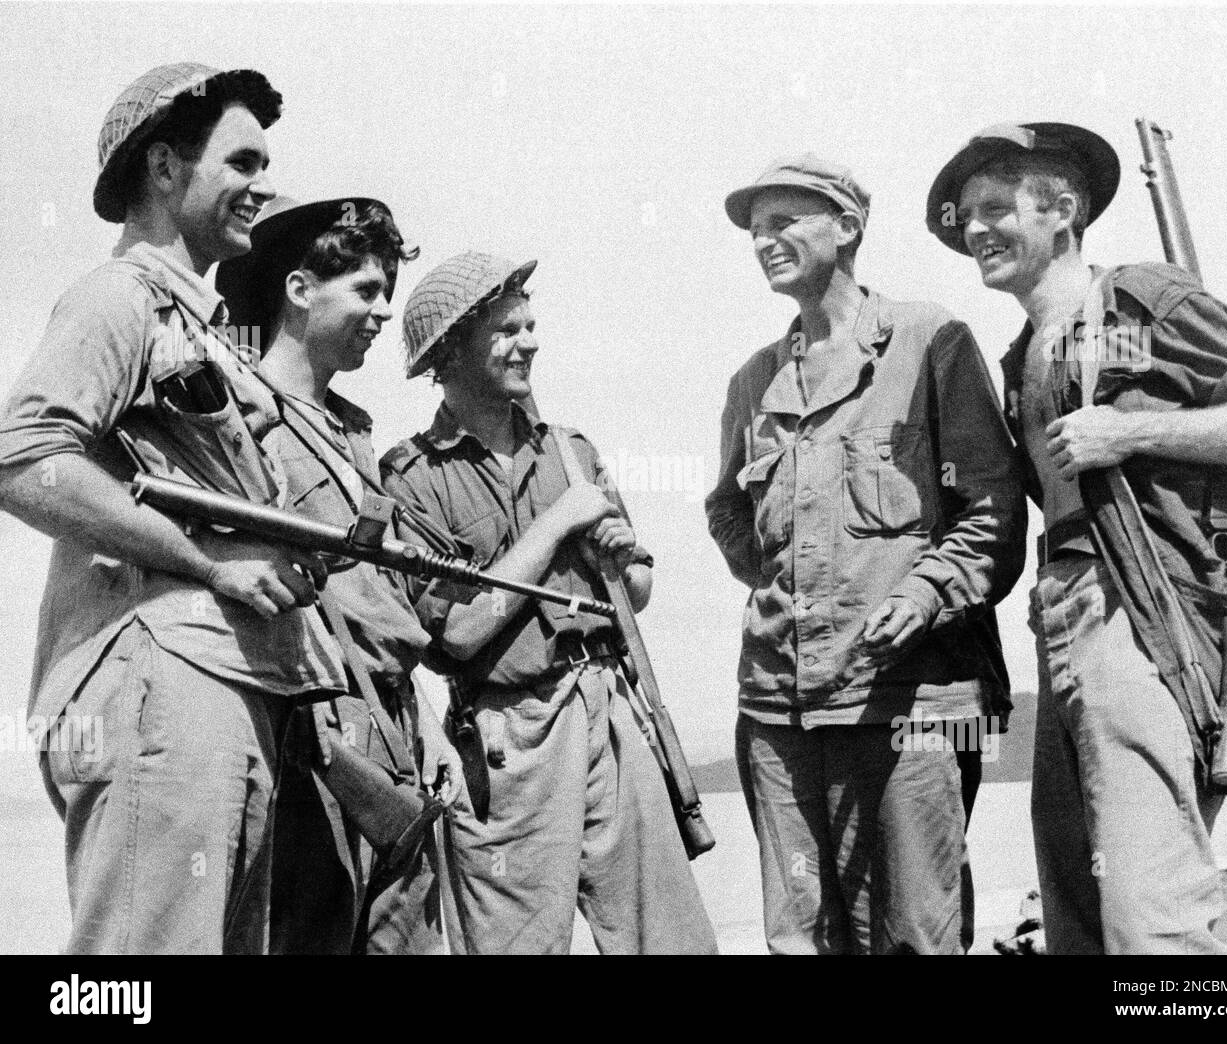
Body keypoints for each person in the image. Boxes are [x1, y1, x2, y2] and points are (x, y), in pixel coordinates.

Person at [0, 63, 352, 954]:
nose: (261, 185)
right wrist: (205, 559)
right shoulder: (119, 298)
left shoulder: (196, 322)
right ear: (164, 170)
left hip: (220, 684)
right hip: (157, 682)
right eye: (239, 161)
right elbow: (22, 460)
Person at [927, 121, 1227, 953]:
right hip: (1059, 617)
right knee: (1077, 918)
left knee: (1149, 919)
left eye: (994, 208)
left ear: (1063, 209)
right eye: (964, 216)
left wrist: (1130, 437)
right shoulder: (1019, 351)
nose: (973, 229)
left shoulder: (1138, 299)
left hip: (1145, 611)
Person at [704, 154, 1025, 955]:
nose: (764, 242)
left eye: (784, 222)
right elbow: (727, 511)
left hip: (914, 703)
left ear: (847, 228)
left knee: (918, 932)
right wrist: (781, 583)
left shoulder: (930, 341)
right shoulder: (755, 381)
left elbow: (991, 512)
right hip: (780, 707)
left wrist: (919, 595)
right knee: (800, 937)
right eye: (755, 230)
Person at [379, 252, 718, 954]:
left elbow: (638, 596)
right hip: (511, 740)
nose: (527, 342)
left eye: (530, 326)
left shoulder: (570, 451)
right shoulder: (412, 478)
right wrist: (560, 522)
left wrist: (621, 564)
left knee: (672, 940)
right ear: (448, 351)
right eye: (505, 330)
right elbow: (462, 634)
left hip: (611, 708)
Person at [214, 196, 461, 954]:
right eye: (365, 289)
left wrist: (424, 724)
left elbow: (371, 606)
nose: (384, 311)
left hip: (389, 736)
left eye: (387, 290)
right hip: (307, 739)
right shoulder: (241, 419)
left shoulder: (351, 430)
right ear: (298, 289)